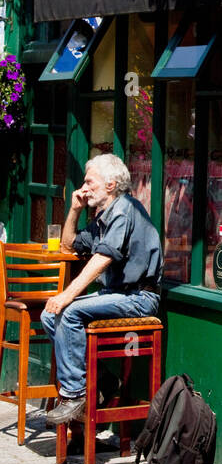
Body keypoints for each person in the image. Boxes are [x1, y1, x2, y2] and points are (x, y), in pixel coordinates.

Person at [41, 154, 163, 427]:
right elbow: (69, 244)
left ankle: (75, 394)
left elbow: (103, 258)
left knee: (68, 311)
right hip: (116, 294)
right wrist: (74, 210)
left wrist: (67, 295)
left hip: (139, 297)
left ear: (110, 185)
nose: (84, 188)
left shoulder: (124, 209)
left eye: (89, 182)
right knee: (49, 316)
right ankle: (105, 380)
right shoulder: (103, 217)